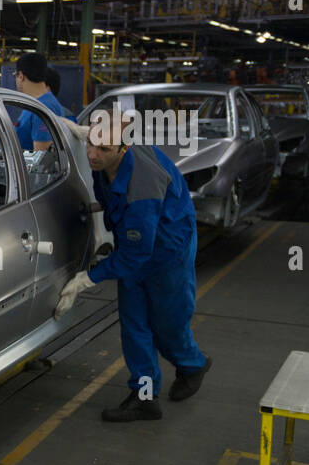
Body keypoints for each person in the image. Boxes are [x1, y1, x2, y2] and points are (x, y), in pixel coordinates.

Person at [55, 110, 211, 422]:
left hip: (168, 249)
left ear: (124, 148)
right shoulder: (109, 148)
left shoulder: (142, 186)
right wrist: (82, 132)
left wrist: (87, 279)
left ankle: (193, 365)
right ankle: (145, 397)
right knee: (134, 324)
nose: (93, 155)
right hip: (136, 245)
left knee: (167, 322)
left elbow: (137, 254)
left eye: (103, 150)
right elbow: (98, 143)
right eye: (91, 146)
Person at [12, 52, 64, 151]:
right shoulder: (34, 104)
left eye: (15, 75)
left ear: (21, 76)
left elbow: (42, 156)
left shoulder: (44, 107)